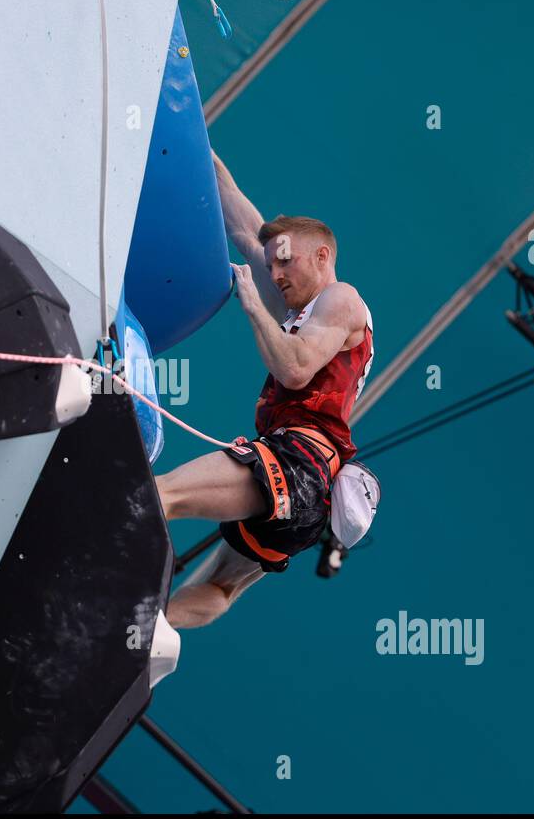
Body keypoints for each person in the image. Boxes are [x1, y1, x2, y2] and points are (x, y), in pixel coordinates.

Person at [157, 151, 374, 629]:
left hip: (299, 463)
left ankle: (73, 557)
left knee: (159, 496)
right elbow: (241, 222)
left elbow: (296, 370)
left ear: (322, 256)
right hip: (306, 500)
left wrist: (254, 307)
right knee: (219, 589)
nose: (275, 275)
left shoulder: (340, 299)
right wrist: (197, 145)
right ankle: (134, 631)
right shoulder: (301, 304)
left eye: (285, 262)